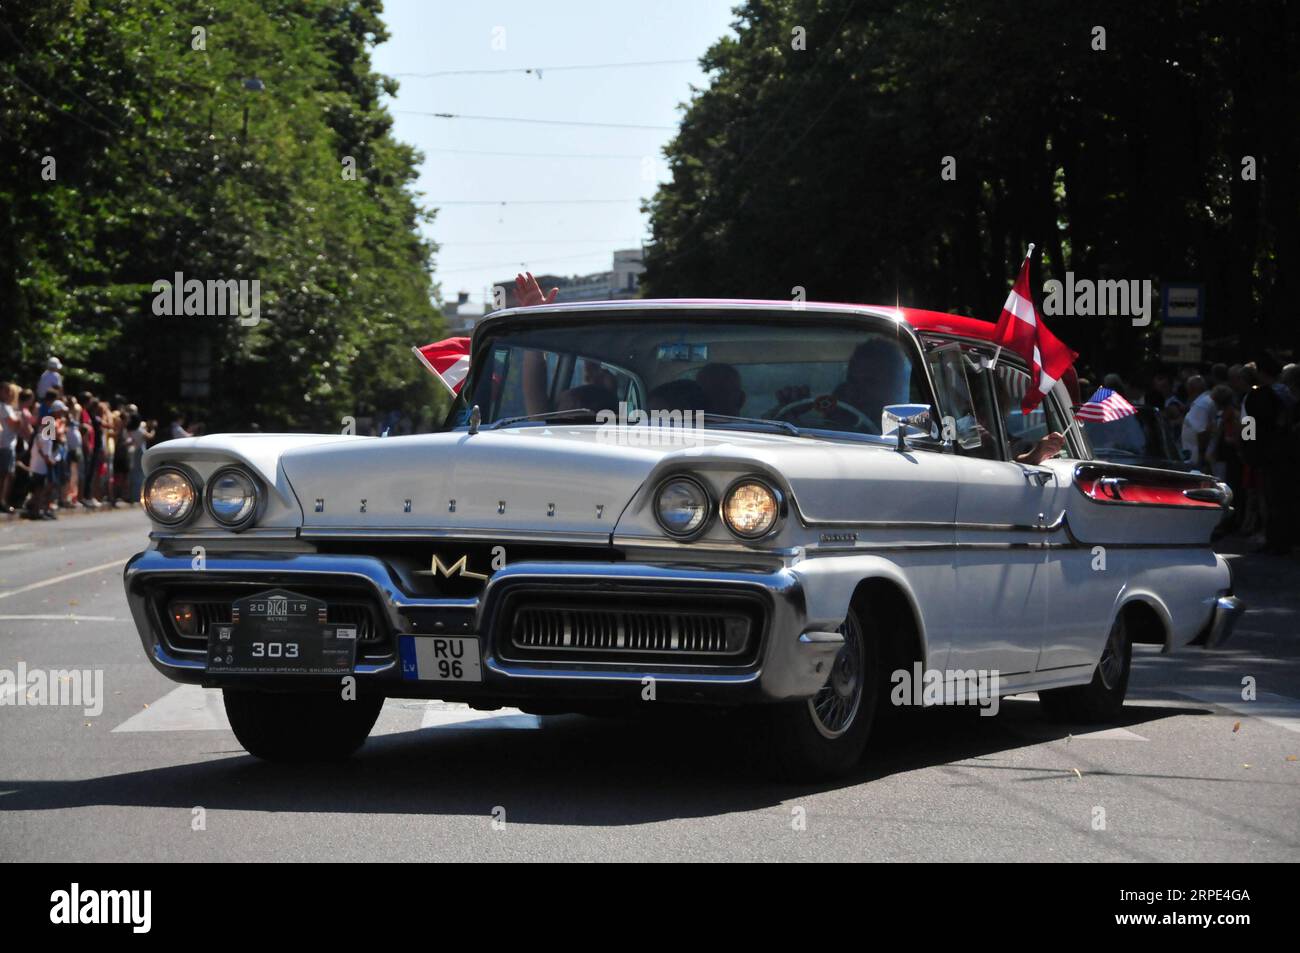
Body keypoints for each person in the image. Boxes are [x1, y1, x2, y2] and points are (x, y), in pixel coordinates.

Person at [1180, 374, 1214, 468]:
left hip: (1197, 461)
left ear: (1190, 389)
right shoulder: (1205, 400)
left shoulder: (1201, 404)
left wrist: (1201, 459)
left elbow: (1202, 432)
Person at [0, 382, 20, 513]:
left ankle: (4, 501)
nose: (9, 394)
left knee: (9, 474)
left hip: (10, 443)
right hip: (5, 444)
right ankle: (2, 502)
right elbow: (14, 424)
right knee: (5, 474)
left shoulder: (9, 407)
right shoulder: (4, 407)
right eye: (6, 391)